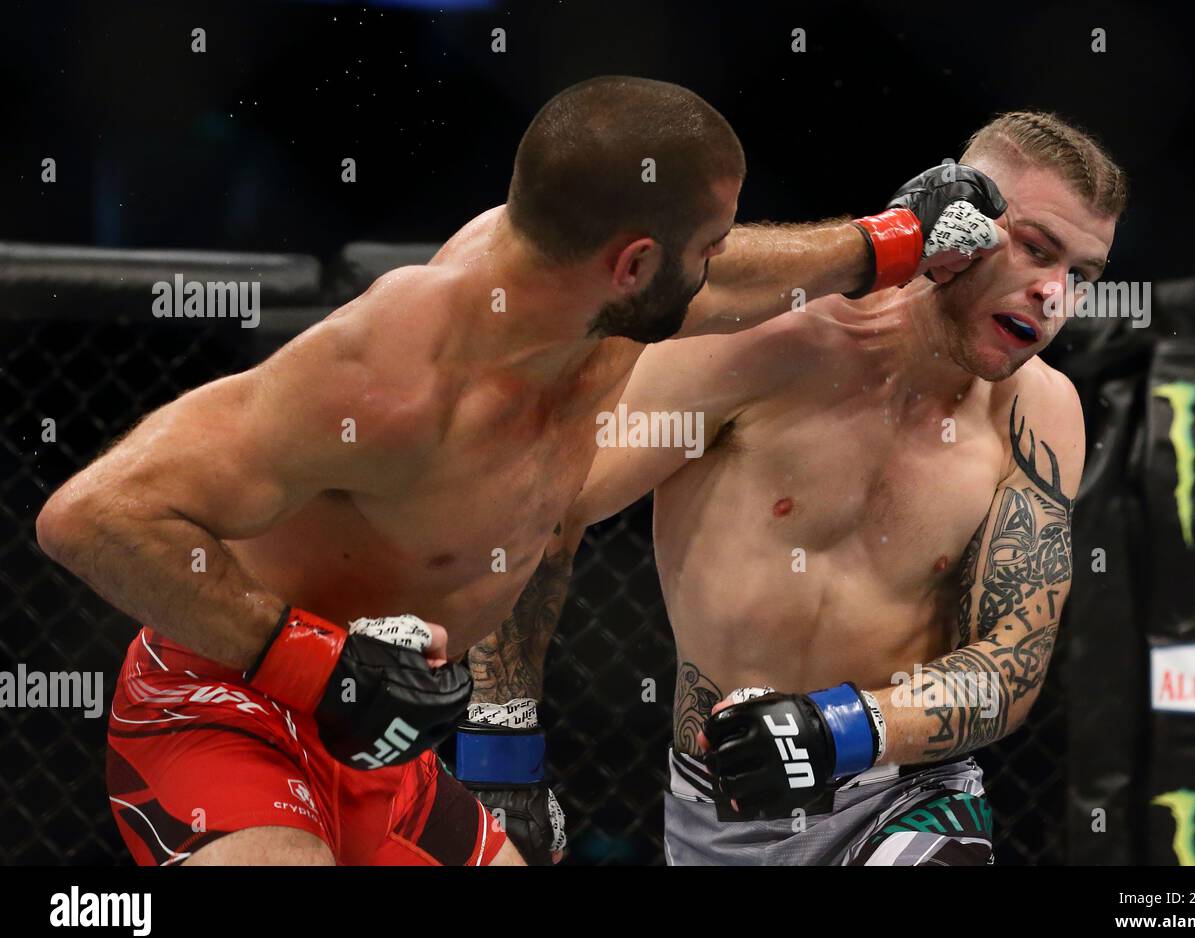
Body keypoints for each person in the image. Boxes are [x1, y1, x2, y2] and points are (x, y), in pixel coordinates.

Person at [35, 75, 1001, 865]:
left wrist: (893, 241)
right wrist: (308, 663)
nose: (717, 269)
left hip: (382, 737)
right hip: (231, 708)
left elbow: (737, 271)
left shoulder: (594, 298)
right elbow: (90, 515)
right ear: (634, 267)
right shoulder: (391, 373)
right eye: (703, 248)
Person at [477, 110, 1125, 865]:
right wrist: (501, 750)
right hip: (717, 804)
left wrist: (838, 727)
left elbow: (1009, 665)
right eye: (1037, 250)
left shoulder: (1041, 414)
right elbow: (540, 510)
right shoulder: (765, 346)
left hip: (908, 790)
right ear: (964, 217)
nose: (1055, 297)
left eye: (1081, 276)